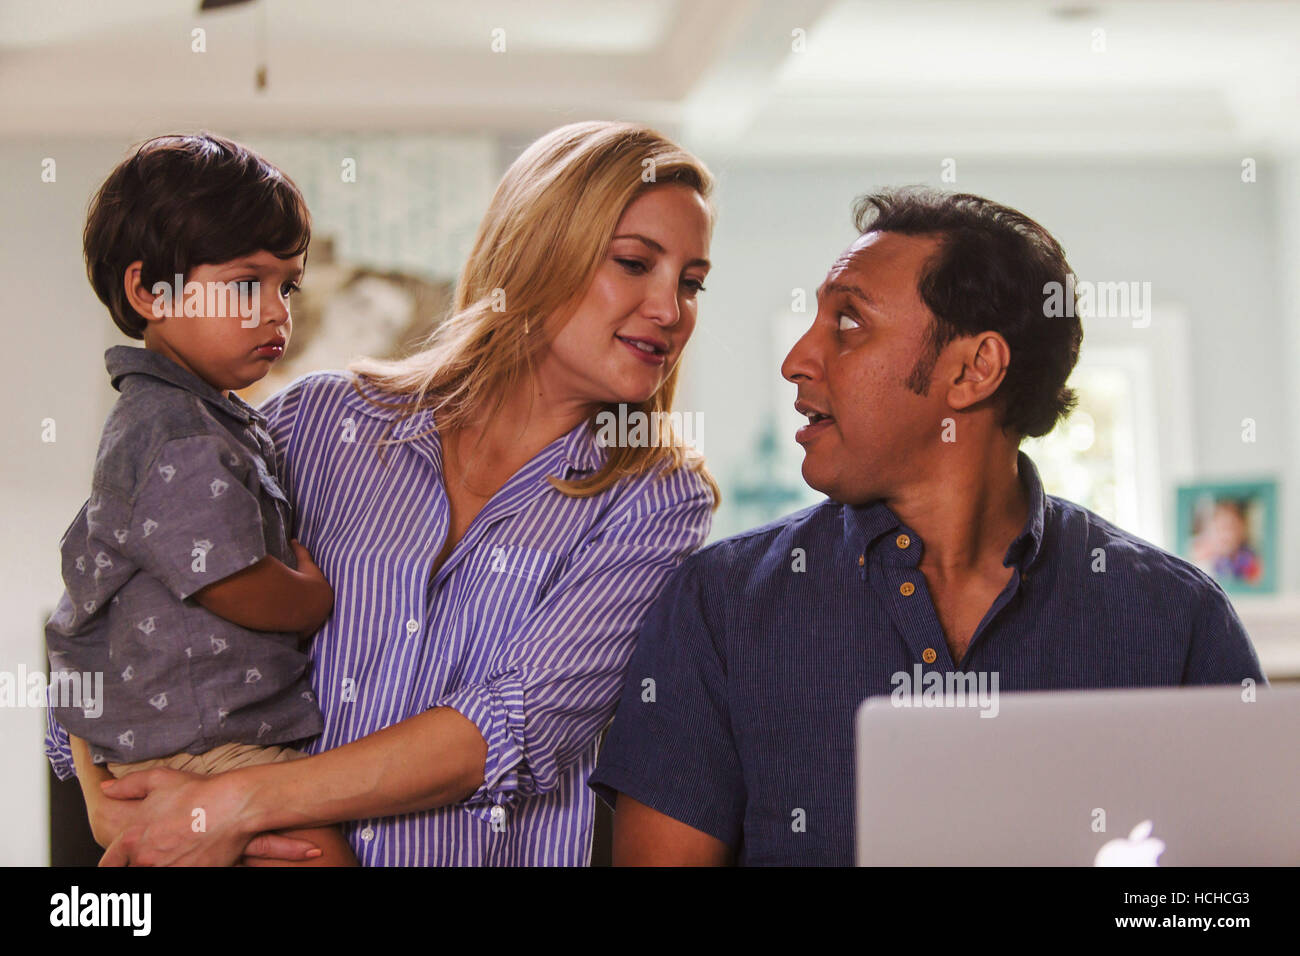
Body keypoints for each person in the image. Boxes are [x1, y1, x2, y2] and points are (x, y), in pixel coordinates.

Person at [46, 120, 719, 866]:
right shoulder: (320, 420)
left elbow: (512, 726)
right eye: (634, 264)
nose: (671, 310)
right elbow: (122, 586)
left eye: (691, 283)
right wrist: (114, 803)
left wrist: (231, 806)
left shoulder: (657, 501)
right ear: (537, 252)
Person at [588, 187, 1266, 866]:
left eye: (848, 323)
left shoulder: (1178, 621)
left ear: (973, 370)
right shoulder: (720, 607)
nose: (797, 359)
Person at [46, 132, 355, 864]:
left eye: (289, 286)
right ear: (150, 291)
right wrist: (310, 595)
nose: (278, 311)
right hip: (204, 746)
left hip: (191, 739)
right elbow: (228, 577)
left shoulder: (198, 415)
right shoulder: (176, 429)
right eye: (250, 285)